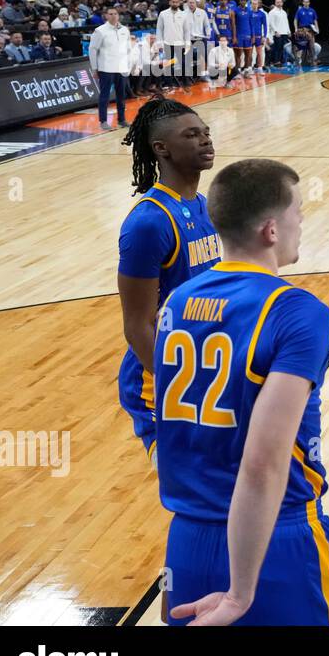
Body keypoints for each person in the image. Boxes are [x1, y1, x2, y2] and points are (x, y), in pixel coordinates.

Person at [156, 159, 329, 626]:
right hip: (272, 540)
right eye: (299, 211)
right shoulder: (296, 311)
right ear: (271, 229)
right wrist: (239, 591)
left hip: (186, 541)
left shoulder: (177, 300)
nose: (302, 222)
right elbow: (263, 463)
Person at [116, 99, 219, 468]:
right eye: (191, 135)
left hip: (205, 368)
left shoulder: (204, 205)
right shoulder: (149, 222)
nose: (206, 141)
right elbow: (138, 325)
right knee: (198, 493)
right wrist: (177, 386)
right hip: (160, 380)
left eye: (206, 132)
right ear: (161, 149)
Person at [88, 6, 133, 130]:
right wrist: (94, 68)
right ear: (106, 16)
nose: (113, 16)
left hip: (121, 68)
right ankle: (103, 121)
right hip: (106, 68)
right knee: (105, 96)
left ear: (118, 15)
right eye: (111, 14)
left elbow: (128, 49)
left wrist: (129, 65)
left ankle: (122, 119)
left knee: (121, 96)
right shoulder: (100, 31)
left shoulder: (125, 30)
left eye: (115, 14)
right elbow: (92, 50)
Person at [157, 0, 192, 88]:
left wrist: (187, 43)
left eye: (176, 2)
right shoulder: (163, 14)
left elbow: (187, 30)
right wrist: (159, 43)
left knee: (183, 63)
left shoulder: (184, 14)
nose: (174, 3)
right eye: (173, 2)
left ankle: (186, 82)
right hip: (167, 43)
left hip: (180, 43)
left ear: (179, 3)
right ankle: (169, 84)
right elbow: (159, 29)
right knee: (168, 64)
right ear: (170, 2)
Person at [268, 0, 292, 67]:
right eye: (277, 2)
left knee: (282, 48)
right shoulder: (272, 12)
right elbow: (271, 23)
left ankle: (280, 61)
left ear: (282, 3)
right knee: (277, 48)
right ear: (275, 3)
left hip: (284, 32)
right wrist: (275, 31)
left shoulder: (284, 12)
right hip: (277, 33)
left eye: (280, 2)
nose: (279, 3)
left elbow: (286, 22)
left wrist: (289, 31)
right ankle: (276, 61)